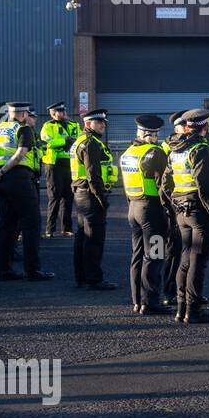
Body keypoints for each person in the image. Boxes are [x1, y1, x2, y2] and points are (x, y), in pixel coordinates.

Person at [167, 108, 209, 323]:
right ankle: (194, 309)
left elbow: (166, 181)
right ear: (204, 127)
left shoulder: (176, 149)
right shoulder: (200, 149)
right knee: (198, 261)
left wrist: (173, 203)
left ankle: (181, 307)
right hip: (199, 211)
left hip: (182, 210)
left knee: (186, 257)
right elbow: (206, 185)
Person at [0, 102, 53, 282]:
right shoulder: (23, 129)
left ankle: (3, 270)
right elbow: (20, 153)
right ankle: (32, 270)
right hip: (18, 178)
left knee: (7, 225)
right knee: (31, 223)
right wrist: (3, 171)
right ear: (24, 113)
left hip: (0, 181)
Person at [119, 115, 170, 315]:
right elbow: (163, 186)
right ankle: (150, 302)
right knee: (155, 255)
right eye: (155, 134)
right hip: (152, 212)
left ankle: (137, 301)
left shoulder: (128, 153)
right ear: (151, 134)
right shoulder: (154, 152)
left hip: (133, 209)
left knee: (138, 255)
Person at [71, 109, 118, 291]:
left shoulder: (80, 141)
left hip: (80, 193)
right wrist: (101, 198)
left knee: (83, 236)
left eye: (104, 123)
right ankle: (94, 279)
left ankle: (82, 277)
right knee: (94, 239)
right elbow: (94, 175)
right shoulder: (91, 143)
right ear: (88, 124)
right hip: (91, 195)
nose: (103, 126)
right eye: (99, 123)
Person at [40, 102, 80, 237]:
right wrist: (64, 141)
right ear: (53, 113)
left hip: (70, 164)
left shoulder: (74, 125)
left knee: (68, 197)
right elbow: (47, 143)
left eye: (64, 111)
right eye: (61, 111)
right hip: (54, 164)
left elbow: (78, 140)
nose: (64, 113)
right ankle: (50, 230)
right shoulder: (47, 126)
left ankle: (67, 229)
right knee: (54, 197)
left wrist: (70, 141)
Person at [160, 111, 187, 307]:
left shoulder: (186, 146)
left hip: (182, 206)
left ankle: (184, 290)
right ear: (177, 128)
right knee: (172, 251)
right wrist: (171, 207)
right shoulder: (167, 148)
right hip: (172, 208)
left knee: (185, 252)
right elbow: (164, 182)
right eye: (184, 125)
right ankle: (169, 291)